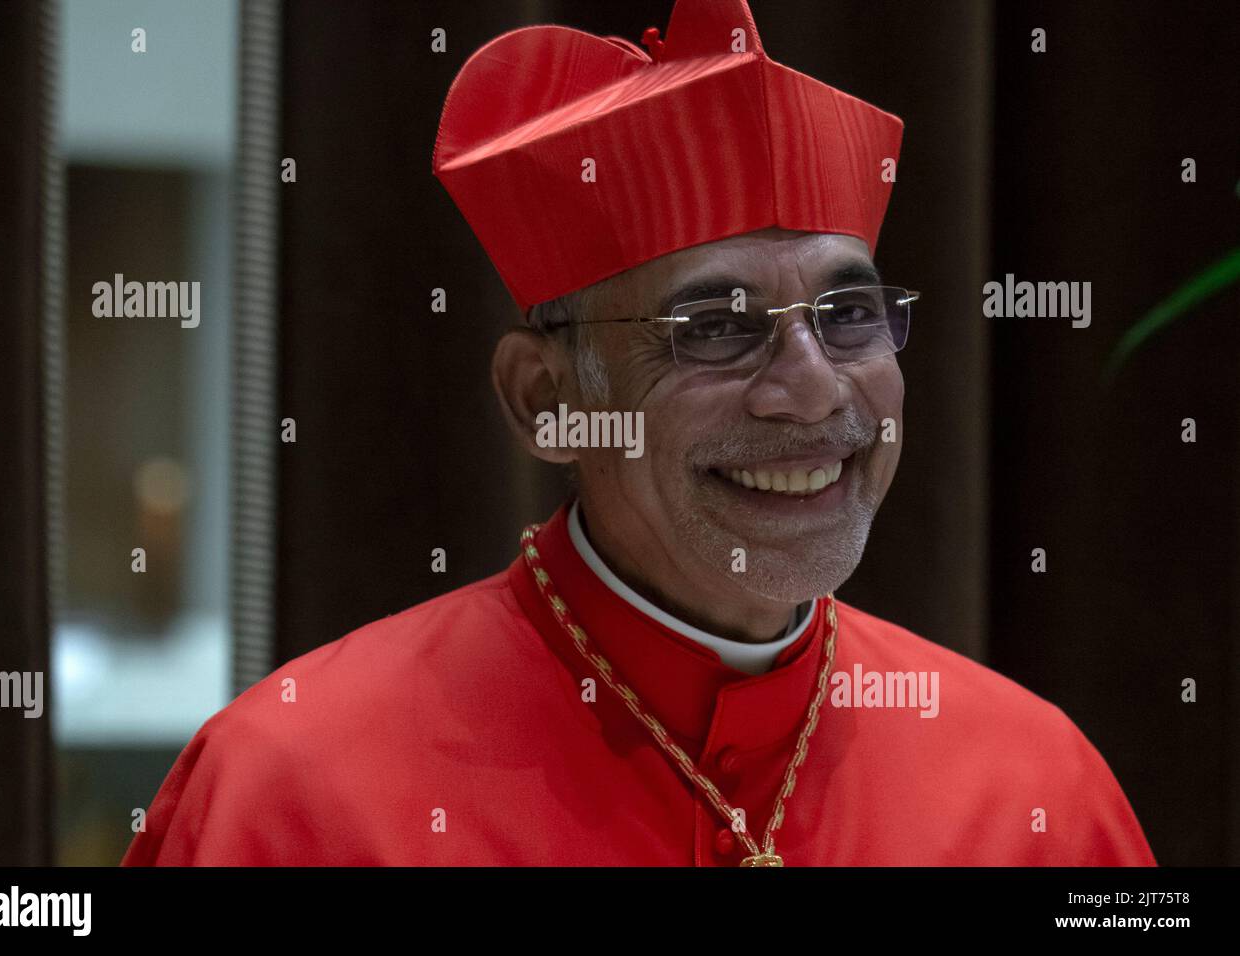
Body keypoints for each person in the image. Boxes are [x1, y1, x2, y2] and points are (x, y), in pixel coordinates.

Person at [123, 0, 1155, 866]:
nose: (808, 392)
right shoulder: (289, 791)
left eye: (847, 315)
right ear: (543, 399)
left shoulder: (1037, 788)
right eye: (713, 328)